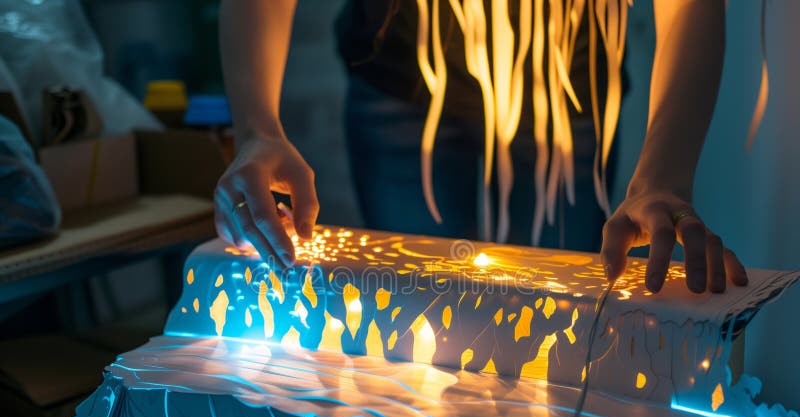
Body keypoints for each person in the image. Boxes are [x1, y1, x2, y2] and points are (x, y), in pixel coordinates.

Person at [215, 0, 749, 294]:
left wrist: (664, 177)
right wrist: (257, 129)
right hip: (400, 85)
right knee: (410, 339)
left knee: (560, 347)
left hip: (569, 94)